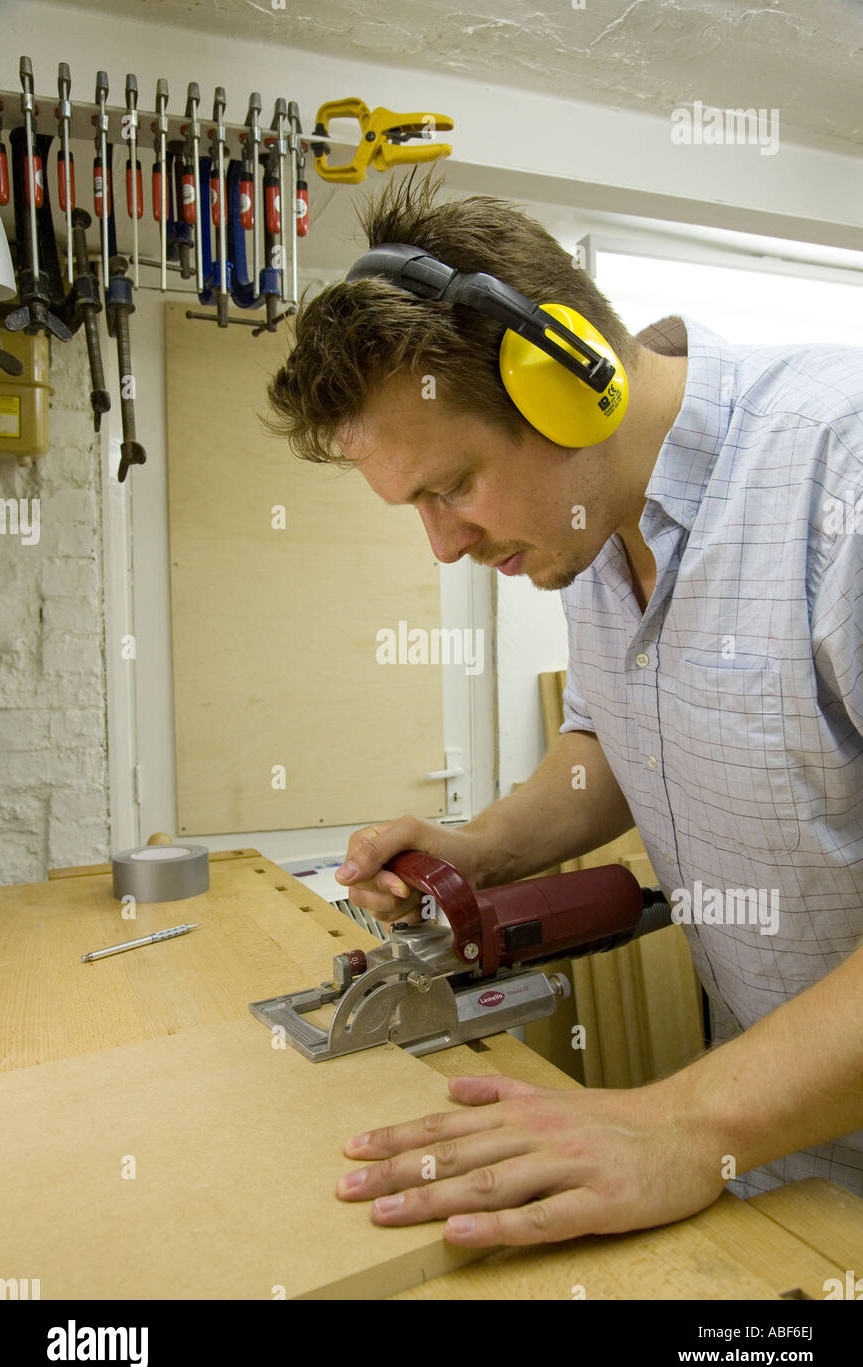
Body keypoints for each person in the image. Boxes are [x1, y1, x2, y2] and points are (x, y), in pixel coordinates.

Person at [266, 173, 863, 1248]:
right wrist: (479, 845)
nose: (442, 544)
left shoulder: (839, 464)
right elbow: (615, 740)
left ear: (566, 386)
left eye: (449, 487)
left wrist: (674, 1120)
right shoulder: (585, 526)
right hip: (784, 1151)